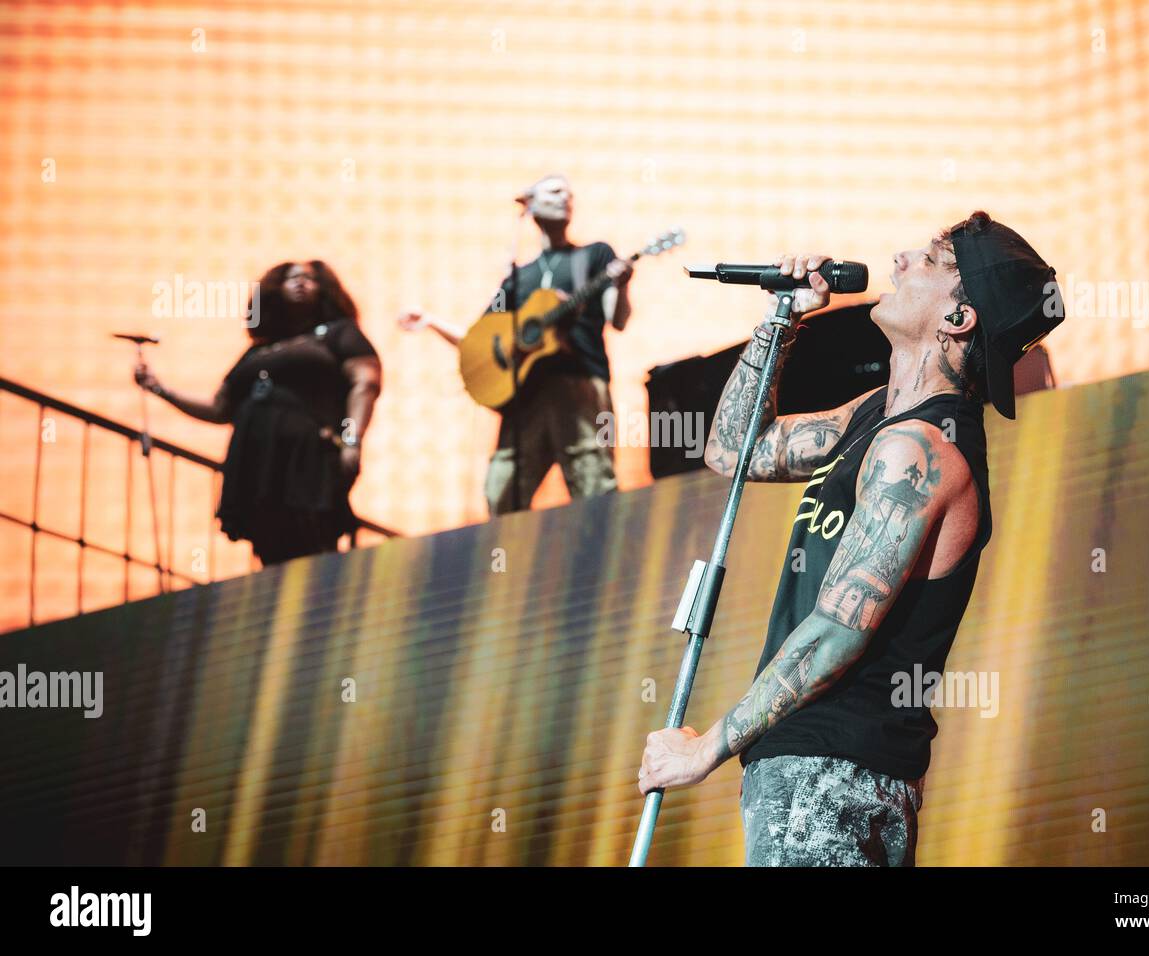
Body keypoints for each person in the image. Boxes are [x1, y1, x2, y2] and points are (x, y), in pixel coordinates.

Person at [636, 211, 1064, 866]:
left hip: (834, 777)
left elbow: (839, 629)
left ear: (960, 317)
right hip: (815, 771)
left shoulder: (922, 450)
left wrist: (704, 749)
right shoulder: (877, 416)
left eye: (929, 258)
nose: (899, 259)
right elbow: (731, 451)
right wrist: (782, 320)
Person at [399, 174, 632, 514]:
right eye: (554, 191)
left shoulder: (594, 255)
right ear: (530, 203)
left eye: (569, 193)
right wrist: (432, 323)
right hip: (526, 394)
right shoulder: (518, 278)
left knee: (594, 486)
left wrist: (623, 286)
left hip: (580, 385)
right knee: (502, 491)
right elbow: (479, 342)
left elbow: (619, 320)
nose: (565, 197)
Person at [135, 260, 382, 565]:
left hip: (308, 453)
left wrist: (351, 439)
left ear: (324, 289)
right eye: (291, 279)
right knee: (269, 544)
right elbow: (220, 408)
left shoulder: (337, 334)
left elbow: (365, 383)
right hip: (257, 461)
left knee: (312, 536)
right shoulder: (258, 350)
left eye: (309, 278)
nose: (300, 283)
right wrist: (161, 390)